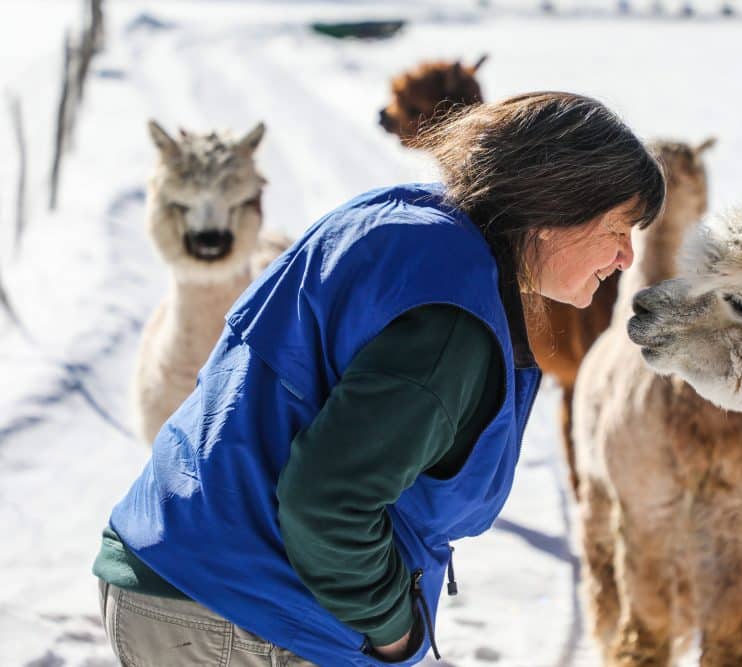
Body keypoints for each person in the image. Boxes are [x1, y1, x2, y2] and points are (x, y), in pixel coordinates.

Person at [92, 91, 665, 666]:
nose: (625, 257)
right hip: (243, 613)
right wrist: (394, 630)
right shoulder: (449, 321)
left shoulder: (405, 226)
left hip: (177, 569)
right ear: (558, 206)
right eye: (619, 228)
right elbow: (328, 502)